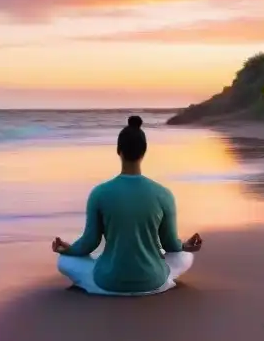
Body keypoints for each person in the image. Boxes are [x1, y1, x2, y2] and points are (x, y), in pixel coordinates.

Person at [52, 115, 203, 295]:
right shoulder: (163, 194)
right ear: (144, 151)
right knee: (185, 257)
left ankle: (92, 283)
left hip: (108, 284)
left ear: (119, 151)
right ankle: (164, 279)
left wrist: (69, 249)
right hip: (153, 283)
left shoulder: (100, 193)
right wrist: (185, 246)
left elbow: (89, 243)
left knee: (65, 261)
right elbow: (170, 245)